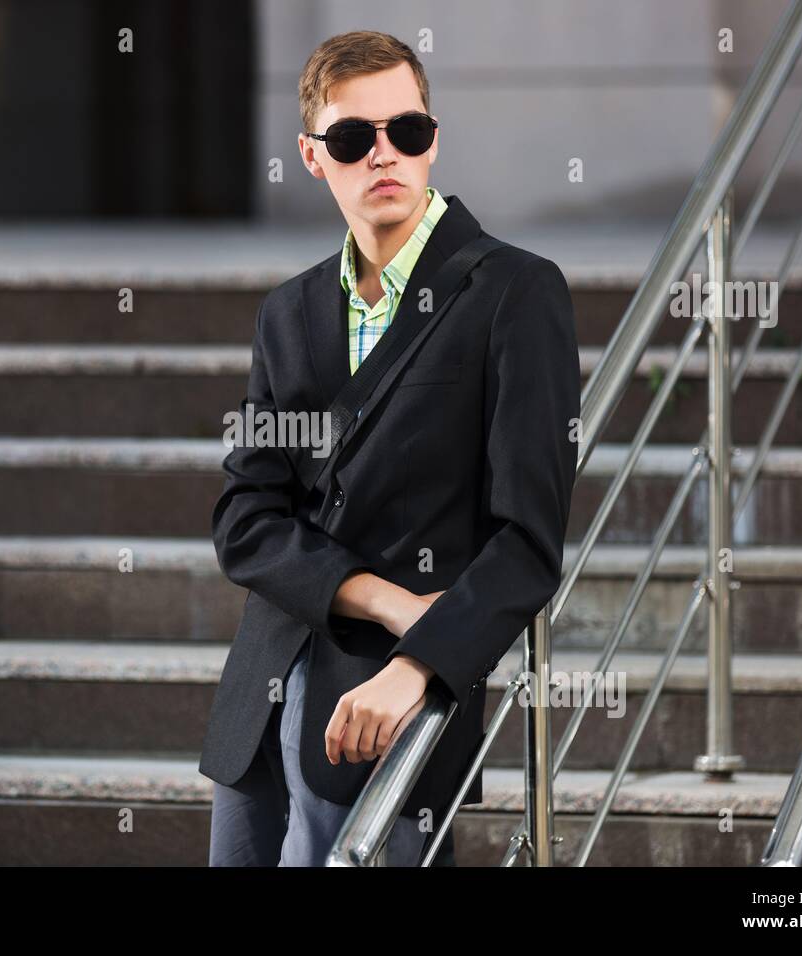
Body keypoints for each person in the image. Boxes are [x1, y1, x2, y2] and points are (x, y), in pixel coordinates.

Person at [198, 29, 580, 866]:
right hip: (260, 706)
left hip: (391, 708)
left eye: (406, 132)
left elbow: (528, 542)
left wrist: (420, 663)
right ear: (311, 154)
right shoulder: (288, 313)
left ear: (432, 139)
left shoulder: (515, 294)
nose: (384, 156)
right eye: (351, 138)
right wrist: (382, 599)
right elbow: (244, 517)